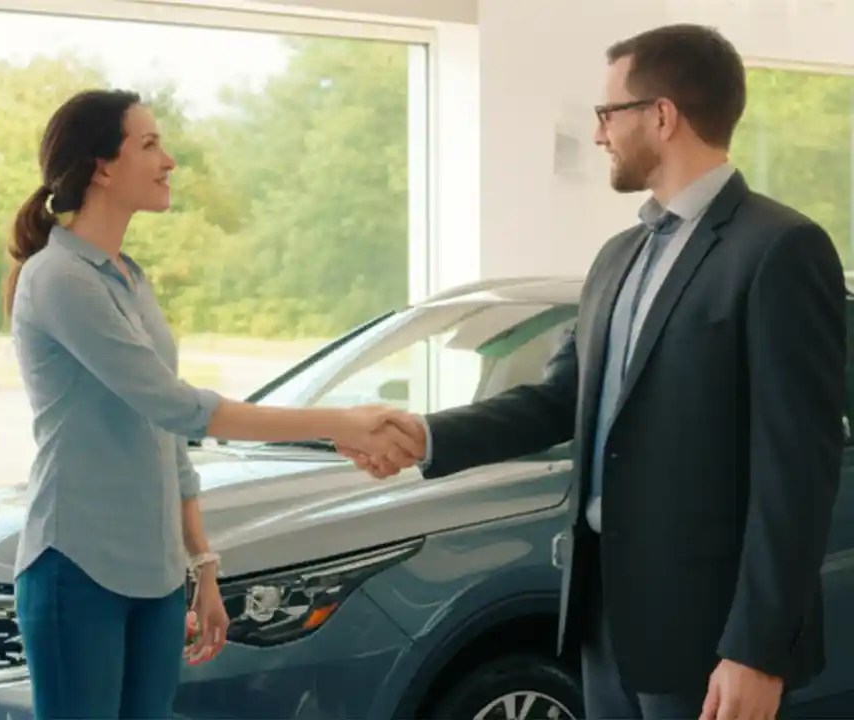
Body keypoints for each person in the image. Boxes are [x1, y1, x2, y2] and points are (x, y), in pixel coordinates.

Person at [343, 23, 844, 720]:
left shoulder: (781, 250)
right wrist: (424, 436)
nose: (599, 132)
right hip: (603, 620)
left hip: (710, 634)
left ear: (662, 116)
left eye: (609, 112)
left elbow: (797, 471)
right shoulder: (616, 257)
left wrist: (758, 649)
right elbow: (558, 401)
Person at [3, 88, 426, 719]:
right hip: (77, 567)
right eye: (149, 144)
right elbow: (176, 406)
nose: (169, 160)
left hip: (155, 574)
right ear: (102, 167)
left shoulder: (129, 277)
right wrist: (340, 422)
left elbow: (167, 438)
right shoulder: (58, 278)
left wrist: (201, 563)